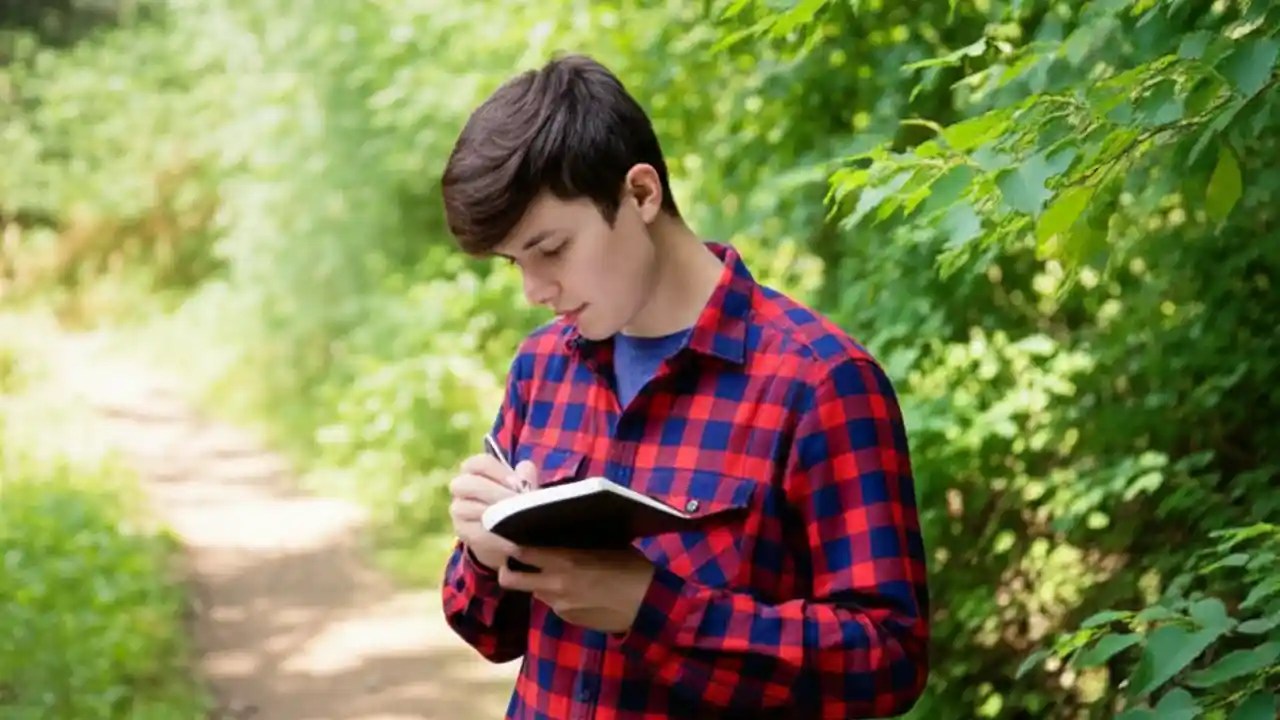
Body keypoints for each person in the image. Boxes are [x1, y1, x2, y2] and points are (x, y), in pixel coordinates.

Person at [437, 52, 930, 719]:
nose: (533, 290)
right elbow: (487, 633)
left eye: (551, 250)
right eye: (514, 263)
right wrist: (485, 551)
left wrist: (653, 609)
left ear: (641, 194)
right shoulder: (542, 367)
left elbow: (889, 661)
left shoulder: (820, 383)